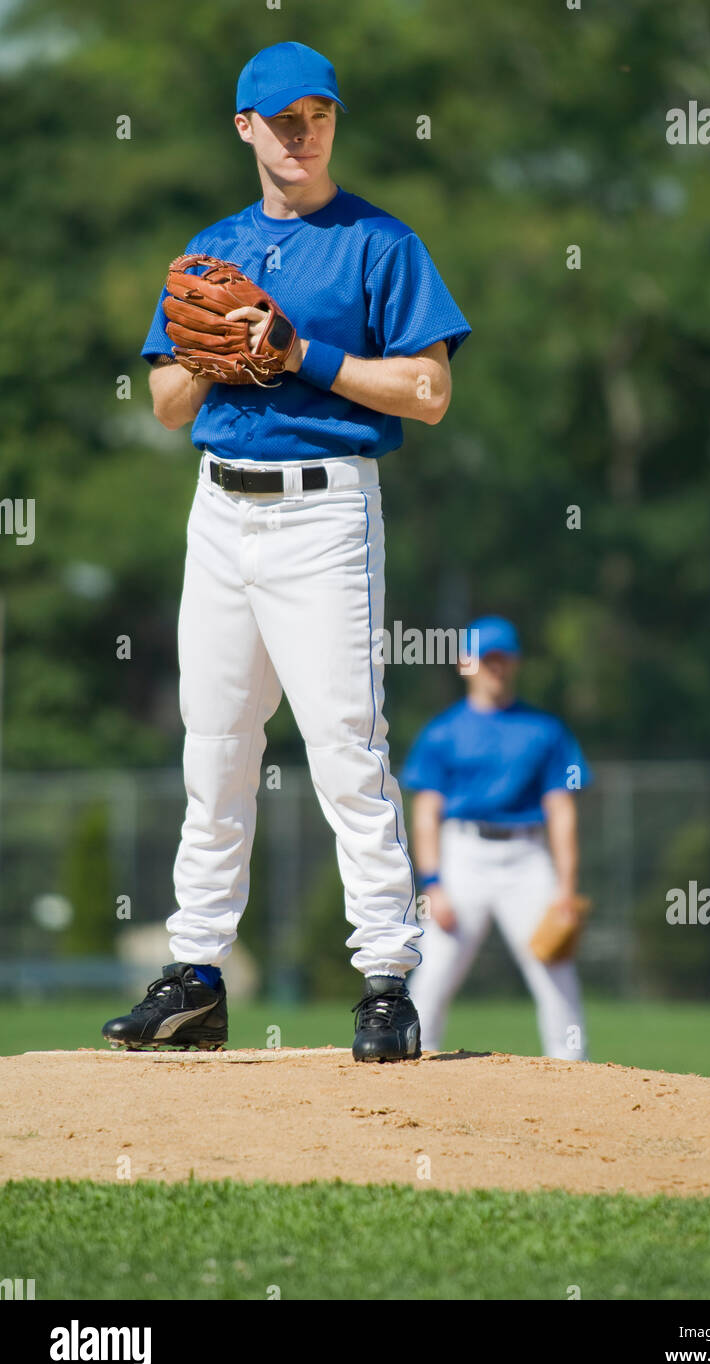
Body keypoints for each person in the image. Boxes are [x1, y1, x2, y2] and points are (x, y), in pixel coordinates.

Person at [101, 42, 470, 1061]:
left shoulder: (380, 245)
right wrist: (217, 351)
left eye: (317, 115)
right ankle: (197, 976)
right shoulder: (209, 249)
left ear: (333, 123)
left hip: (324, 515)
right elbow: (168, 405)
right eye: (281, 117)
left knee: (348, 747)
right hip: (219, 513)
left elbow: (430, 393)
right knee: (215, 746)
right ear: (244, 128)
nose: (301, 133)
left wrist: (296, 351)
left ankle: (389, 980)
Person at [400, 616, 591, 1060]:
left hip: (527, 855)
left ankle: (574, 1072)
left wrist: (566, 887)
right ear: (465, 663)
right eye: (487, 658)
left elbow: (562, 811)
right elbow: (426, 812)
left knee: (555, 967)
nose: (496, 667)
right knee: (433, 973)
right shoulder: (443, 732)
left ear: (517, 662)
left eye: (503, 658)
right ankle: (411, 1062)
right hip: (463, 855)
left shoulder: (544, 731)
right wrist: (432, 882)